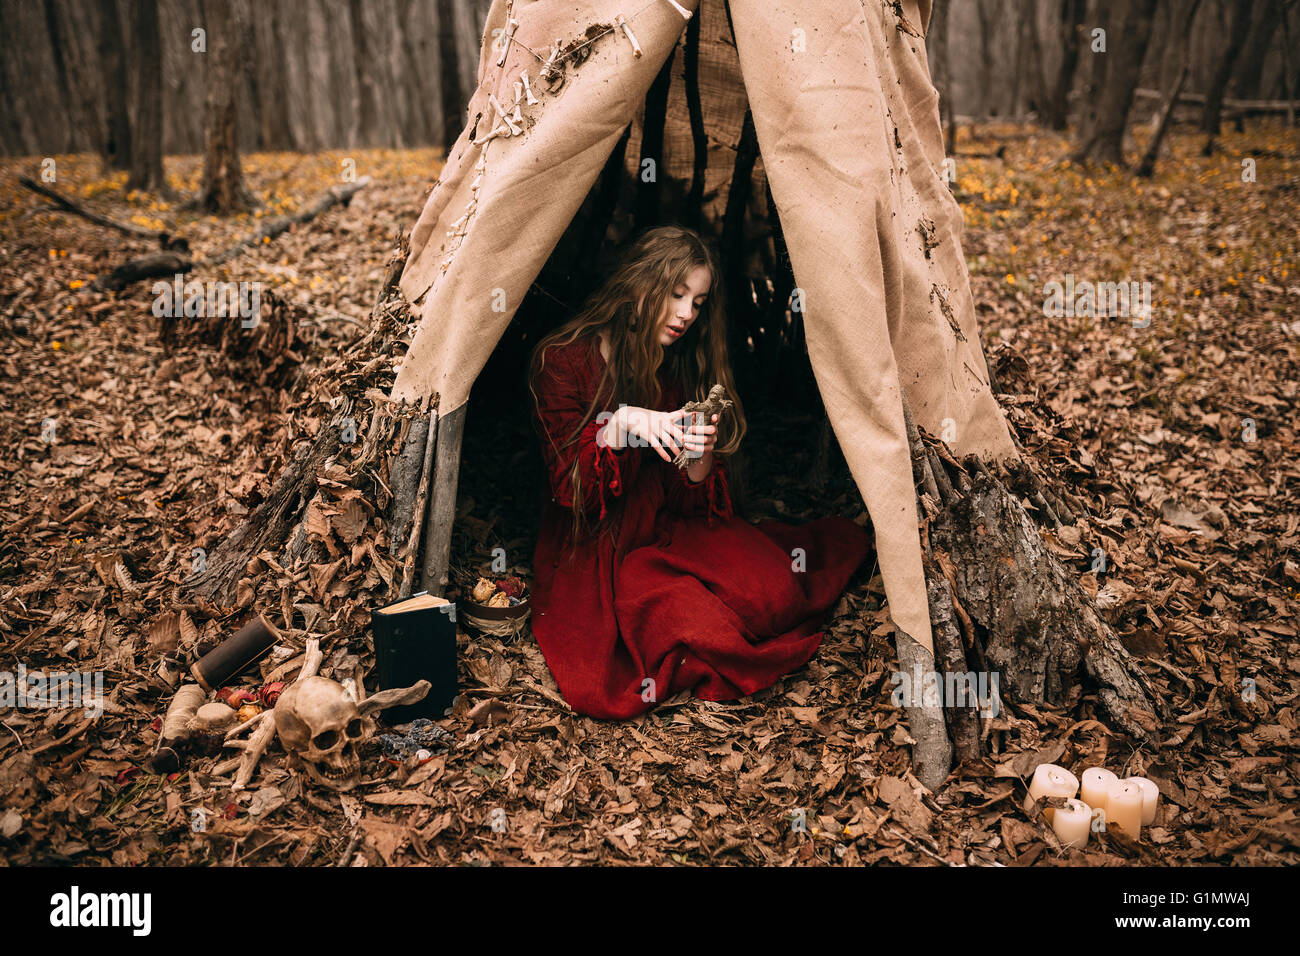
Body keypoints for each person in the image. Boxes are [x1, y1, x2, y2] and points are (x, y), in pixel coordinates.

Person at [527, 225, 872, 719]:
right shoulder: (562, 360)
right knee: (673, 632)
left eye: (699, 301)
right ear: (638, 283)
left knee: (774, 592)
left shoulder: (674, 364)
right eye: (676, 294)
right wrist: (621, 425)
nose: (688, 313)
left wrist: (699, 455)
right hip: (596, 542)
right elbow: (571, 490)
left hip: (666, 524)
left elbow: (691, 496)